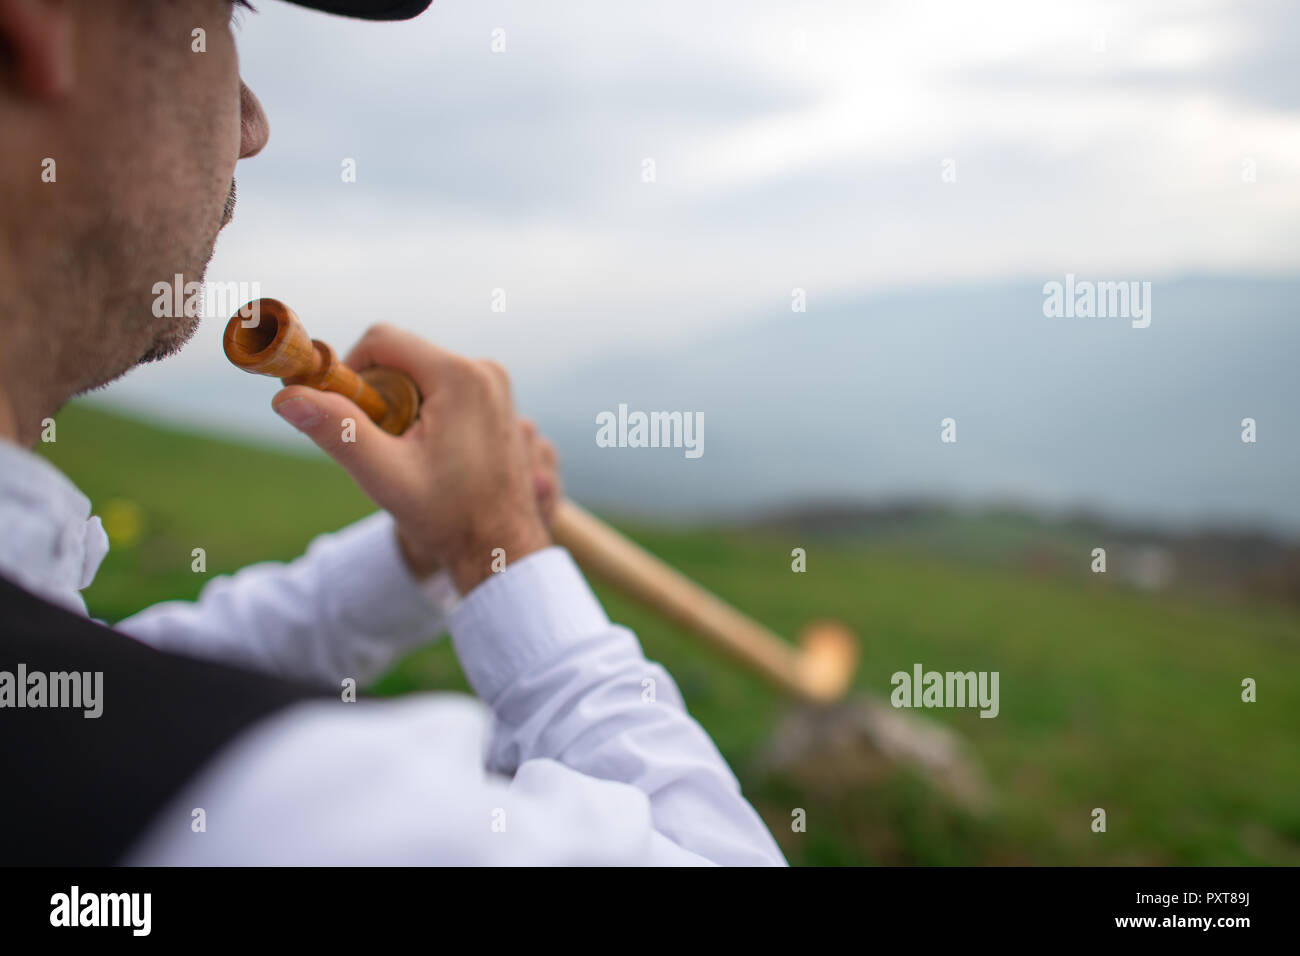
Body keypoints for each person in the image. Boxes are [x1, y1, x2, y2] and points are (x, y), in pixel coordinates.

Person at [0, 0, 785, 865]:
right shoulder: (294, 817)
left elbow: (120, 681)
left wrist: (420, 555)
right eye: (221, 12)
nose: (251, 124)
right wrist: (500, 544)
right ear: (42, 19)